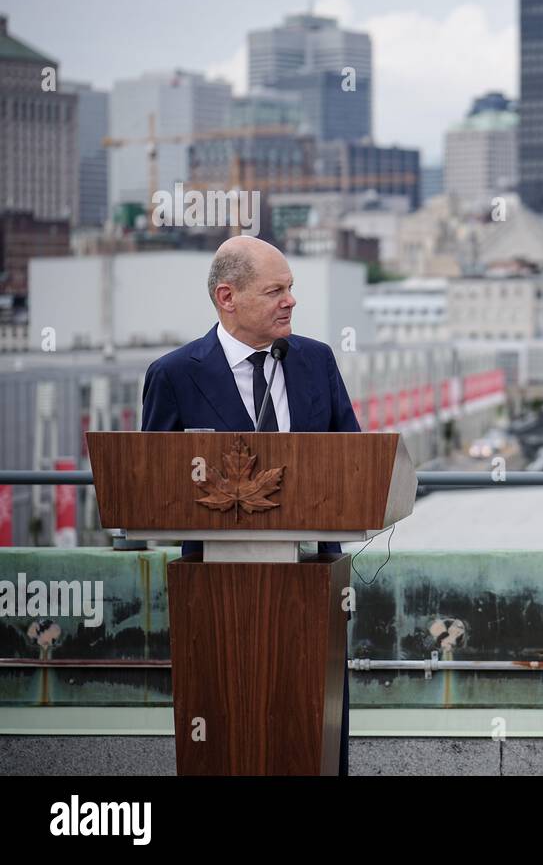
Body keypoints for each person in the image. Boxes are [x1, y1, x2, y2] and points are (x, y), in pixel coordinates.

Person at [141, 234, 360, 776]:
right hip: (214, 596)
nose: (290, 301)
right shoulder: (172, 375)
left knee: (312, 735)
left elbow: (354, 459)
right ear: (227, 297)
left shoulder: (316, 360)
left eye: (291, 289)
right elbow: (152, 488)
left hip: (313, 581)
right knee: (225, 734)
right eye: (275, 291)